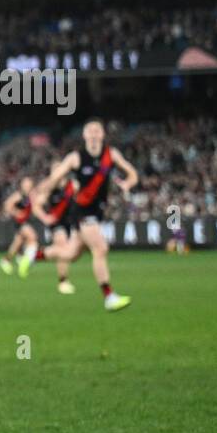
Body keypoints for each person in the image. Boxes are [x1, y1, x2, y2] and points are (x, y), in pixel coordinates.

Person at [32, 120, 139, 311]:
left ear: (103, 134)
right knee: (100, 248)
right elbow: (55, 178)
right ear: (84, 135)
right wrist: (40, 190)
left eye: (97, 130)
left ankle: (35, 254)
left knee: (71, 254)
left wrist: (127, 184)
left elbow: (132, 173)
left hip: (97, 212)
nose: (94, 134)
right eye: (90, 131)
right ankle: (109, 296)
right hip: (81, 211)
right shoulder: (75, 158)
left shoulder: (111, 154)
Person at [0, 177, 38, 278]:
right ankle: (26, 260)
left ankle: (6, 260)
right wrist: (16, 213)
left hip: (26, 221)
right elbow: (7, 205)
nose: (28, 186)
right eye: (26, 184)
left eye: (29, 184)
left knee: (17, 243)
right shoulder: (19, 195)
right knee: (33, 237)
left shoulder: (30, 195)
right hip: (20, 223)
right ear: (22, 185)